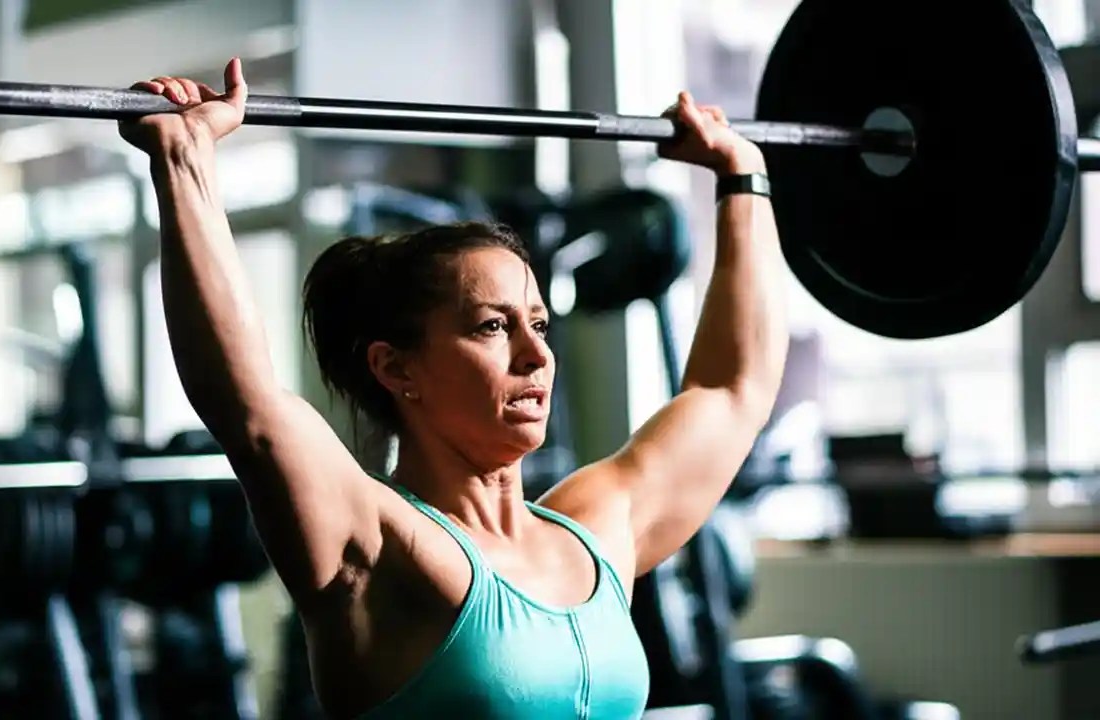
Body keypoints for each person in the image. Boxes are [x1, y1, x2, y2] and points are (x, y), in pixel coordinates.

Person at [119, 57, 787, 719]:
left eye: (539, 325)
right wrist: (184, 160)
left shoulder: (597, 532)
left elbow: (732, 388)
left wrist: (744, 175)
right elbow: (246, 399)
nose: (537, 356)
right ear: (396, 368)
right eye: (493, 327)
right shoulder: (376, 545)